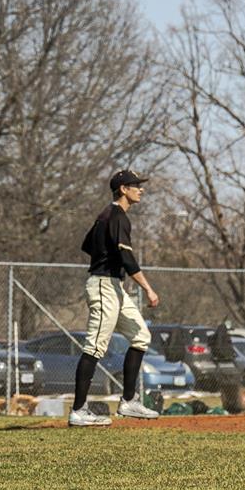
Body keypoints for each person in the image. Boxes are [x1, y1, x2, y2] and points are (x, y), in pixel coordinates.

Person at [72, 169, 161, 426]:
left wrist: (104, 253)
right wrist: (148, 288)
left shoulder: (106, 216)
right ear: (123, 189)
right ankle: (78, 410)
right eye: (136, 185)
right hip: (103, 285)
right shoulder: (117, 216)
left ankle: (129, 401)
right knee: (95, 346)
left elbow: (87, 245)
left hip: (113, 285)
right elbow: (127, 258)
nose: (141, 189)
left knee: (141, 336)